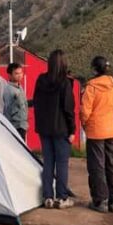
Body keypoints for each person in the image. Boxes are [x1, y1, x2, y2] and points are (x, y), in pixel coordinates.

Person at [33, 50, 76, 209]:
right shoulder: (65, 83)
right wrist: (72, 130)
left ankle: (47, 197)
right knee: (62, 163)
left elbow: (36, 103)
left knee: (48, 162)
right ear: (64, 64)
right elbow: (68, 109)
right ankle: (62, 197)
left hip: (44, 128)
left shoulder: (40, 80)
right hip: (61, 129)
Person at [81, 56, 113, 213]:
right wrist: (110, 118)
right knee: (111, 164)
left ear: (94, 69)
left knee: (96, 165)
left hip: (95, 131)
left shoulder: (91, 87)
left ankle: (100, 200)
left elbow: (85, 110)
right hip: (110, 129)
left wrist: (85, 123)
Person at [3, 62, 28, 141]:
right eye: (16, 73)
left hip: (22, 124)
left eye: (21, 72)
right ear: (10, 75)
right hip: (15, 126)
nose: (20, 75)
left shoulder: (19, 87)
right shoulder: (9, 90)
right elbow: (7, 109)